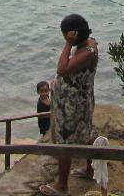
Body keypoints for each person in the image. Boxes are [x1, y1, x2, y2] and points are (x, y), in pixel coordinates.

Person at [40, 14, 98, 196]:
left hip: (73, 106)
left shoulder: (87, 51)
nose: (64, 38)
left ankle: (62, 186)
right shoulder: (87, 44)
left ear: (72, 35)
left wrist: (67, 44)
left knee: (65, 141)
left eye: (65, 35)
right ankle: (90, 169)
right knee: (85, 133)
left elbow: (62, 68)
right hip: (77, 101)